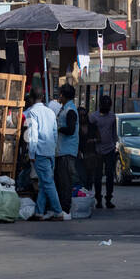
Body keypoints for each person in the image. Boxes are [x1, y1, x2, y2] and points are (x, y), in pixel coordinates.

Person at [24, 88, 67, 221]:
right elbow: (54, 133)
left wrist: (31, 153)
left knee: (47, 182)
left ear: (31, 98)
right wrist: (53, 149)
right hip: (50, 151)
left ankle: (58, 211)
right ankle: (39, 212)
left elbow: (33, 135)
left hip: (40, 151)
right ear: (42, 97)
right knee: (44, 182)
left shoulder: (32, 112)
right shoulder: (50, 112)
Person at [54, 84, 79, 214]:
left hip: (67, 152)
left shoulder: (70, 110)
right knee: (61, 181)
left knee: (65, 182)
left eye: (60, 94)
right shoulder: (65, 109)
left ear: (63, 95)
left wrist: (57, 128)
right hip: (61, 151)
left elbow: (71, 129)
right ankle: (62, 208)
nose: (59, 96)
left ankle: (65, 209)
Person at [90, 95, 119, 209]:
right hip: (97, 150)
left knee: (109, 175)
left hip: (110, 149)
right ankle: (98, 199)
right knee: (97, 177)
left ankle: (108, 198)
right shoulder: (93, 117)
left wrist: (114, 144)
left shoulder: (112, 117)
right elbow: (91, 132)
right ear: (100, 105)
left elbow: (114, 133)